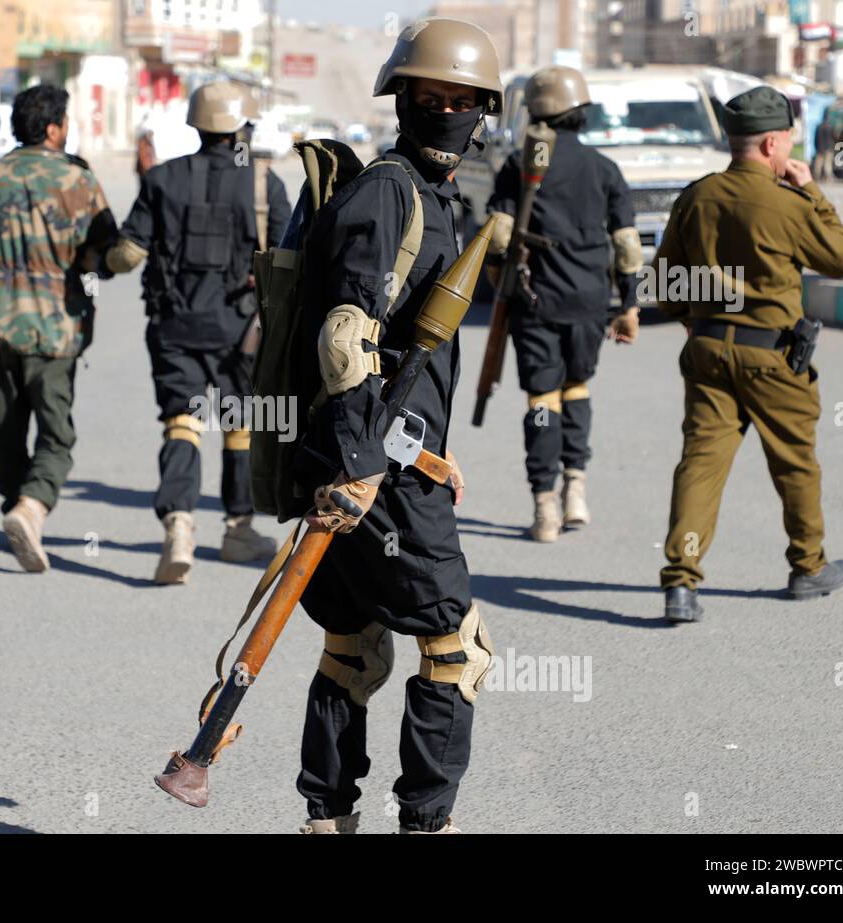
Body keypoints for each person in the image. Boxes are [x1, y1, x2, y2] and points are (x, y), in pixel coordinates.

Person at [287, 18, 498, 834]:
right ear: (402, 98)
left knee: (355, 648)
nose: (447, 112)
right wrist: (364, 462)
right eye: (431, 96)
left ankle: (326, 818)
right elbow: (346, 337)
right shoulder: (390, 190)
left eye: (462, 100)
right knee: (457, 650)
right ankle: (425, 824)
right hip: (376, 472)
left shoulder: (430, 193)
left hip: (380, 460)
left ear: (483, 110)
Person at [653, 86, 843, 623]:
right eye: (788, 141)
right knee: (794, 463)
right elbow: (840, 259)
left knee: (700, 464)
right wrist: (812, 191)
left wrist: (697, 320)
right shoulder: (787, 202)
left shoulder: (697, 196)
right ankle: (808, 566)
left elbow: (665, 281)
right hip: (772, 359)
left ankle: (680, 583)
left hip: (708, 351)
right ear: (771, 144)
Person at [101, 81, 292, 585]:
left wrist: (99, 253)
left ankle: (180, 525)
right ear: (242, 128)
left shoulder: (162, 179)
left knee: (182, 422)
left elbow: (126, 255)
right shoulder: (264, 183)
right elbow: (293, 263)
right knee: (239, 424)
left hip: (174, 326)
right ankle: (237, 531)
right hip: (241, 333)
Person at [0, 84, 119, 572]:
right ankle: (32, 508)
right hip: (59, 329)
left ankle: (15, 507)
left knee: (5, 425)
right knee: (56, 434)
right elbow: (107, 252)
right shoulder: (78, 178)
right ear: (55, 128)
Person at [486, 65, 642, 542]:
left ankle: (545, 508)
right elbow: (627, 244)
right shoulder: (604, 168)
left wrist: (500, 282)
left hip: (536, 302)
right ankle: (577, 488)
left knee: (541, 400)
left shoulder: (519, 164)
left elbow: (498, 237)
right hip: (591, 302)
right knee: (577, 388)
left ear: (536, 112)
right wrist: (630, 305)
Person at [812, 113, 834, 181]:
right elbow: (834, 137)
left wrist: (816, 147)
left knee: (818, 164)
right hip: (829, 147)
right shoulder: (830, 126)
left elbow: (815, 138)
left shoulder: (819, 126)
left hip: (820, 148)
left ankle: (816, 177)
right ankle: (827, 177)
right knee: (827, 164)